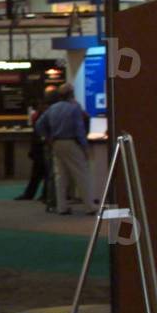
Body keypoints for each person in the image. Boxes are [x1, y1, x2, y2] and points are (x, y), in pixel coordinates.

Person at [36, 84, 94, 215]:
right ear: (71, 94)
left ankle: (61, 207)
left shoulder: (52, 108)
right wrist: (85, 147)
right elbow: (79, 129)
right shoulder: (74, 108)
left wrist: (48, 137)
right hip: (71, 142)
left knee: (60, 176)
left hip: (56, 143)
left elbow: (39, 124)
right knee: (81, 174)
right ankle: (90, 206)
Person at [15, 95, 50, 201]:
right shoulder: (42, 116)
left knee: (40, 174)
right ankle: (42, 195)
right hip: (40, 148)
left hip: (41, 147)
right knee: (41, 173)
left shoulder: (42, 116)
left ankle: (36, 194)